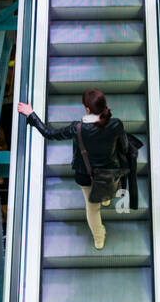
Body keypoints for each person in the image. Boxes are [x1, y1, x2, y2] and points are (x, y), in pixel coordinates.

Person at [18, 89, 129, 250]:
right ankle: (106, 198)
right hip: (110, 172)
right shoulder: (116, 124)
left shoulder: (77, 128)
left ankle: (99, 238)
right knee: (107, 189)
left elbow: (49, 133)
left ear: (88, 109)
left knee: (92, 209)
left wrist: (31, 114)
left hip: (86, 175)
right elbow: (124, 146)